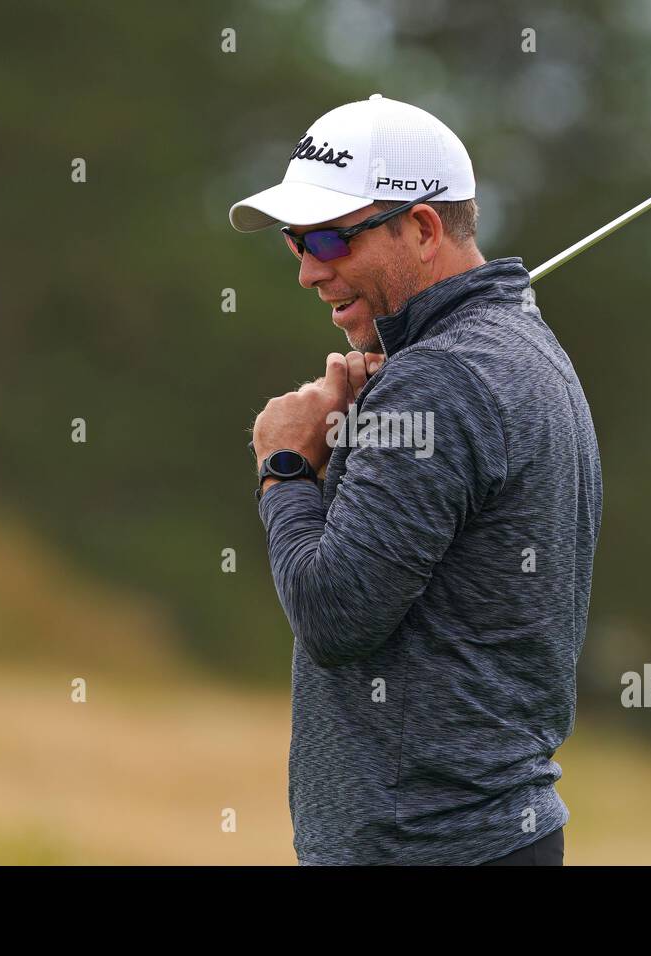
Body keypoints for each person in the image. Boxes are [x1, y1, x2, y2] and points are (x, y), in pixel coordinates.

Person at [230, 93, 601, 865]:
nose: (308, 270)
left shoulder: (436, 381)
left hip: (425, 846)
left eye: (331, 237)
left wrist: (288, 464)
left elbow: (335, 614)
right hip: (493, 837)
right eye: (296, 241)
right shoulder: (521, 347)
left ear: (423, 227)